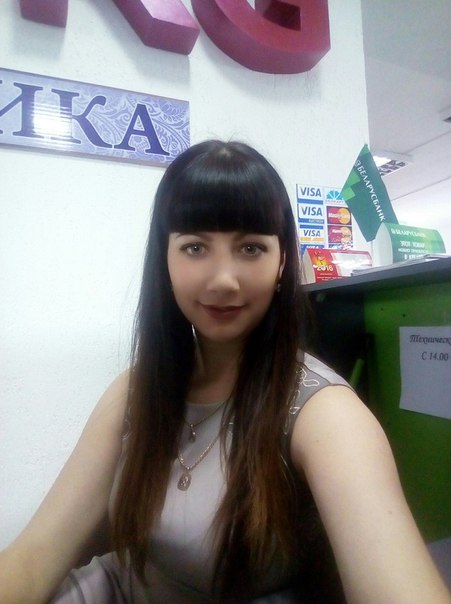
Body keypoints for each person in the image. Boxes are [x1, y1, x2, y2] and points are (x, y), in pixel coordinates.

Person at [1, 140, 450, 604]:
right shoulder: (136, 391)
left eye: (251, 248)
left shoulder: (323, 412)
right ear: (165, 258)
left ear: (282, 260)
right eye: (195, 247)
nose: (222, 279)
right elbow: (34, 557)